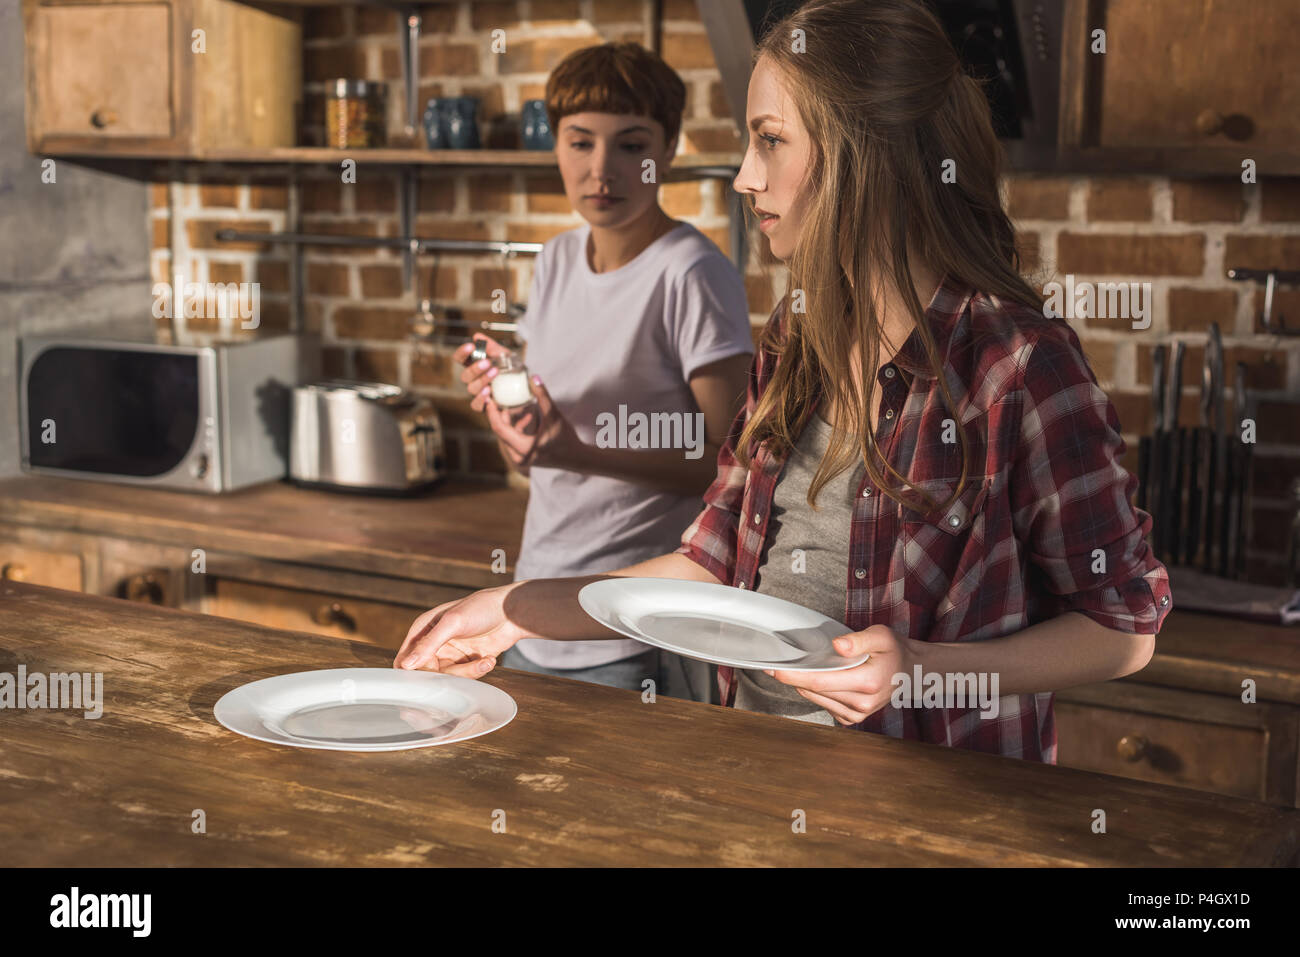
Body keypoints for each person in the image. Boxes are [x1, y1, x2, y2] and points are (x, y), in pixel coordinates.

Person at [397, 0, 1171, 763]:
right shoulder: (797, 337)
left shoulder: (1020, 365)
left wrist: (922, 673)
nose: (743, 176)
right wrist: (512, 610)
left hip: (929, 806)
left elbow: (1123, 627)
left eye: (770, 141)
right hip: (762, 775)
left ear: (869, 153)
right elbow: (711, 559)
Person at [452, 42, 753, 702]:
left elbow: (730, 466)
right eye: (579, 142)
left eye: (630, 144)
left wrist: (575, 448)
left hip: (631, 628)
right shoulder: (556, 259)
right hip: (535, 607)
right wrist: (518, 422)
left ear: (668, 150)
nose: (600, 170)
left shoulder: (692, 273)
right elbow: (538, 459)